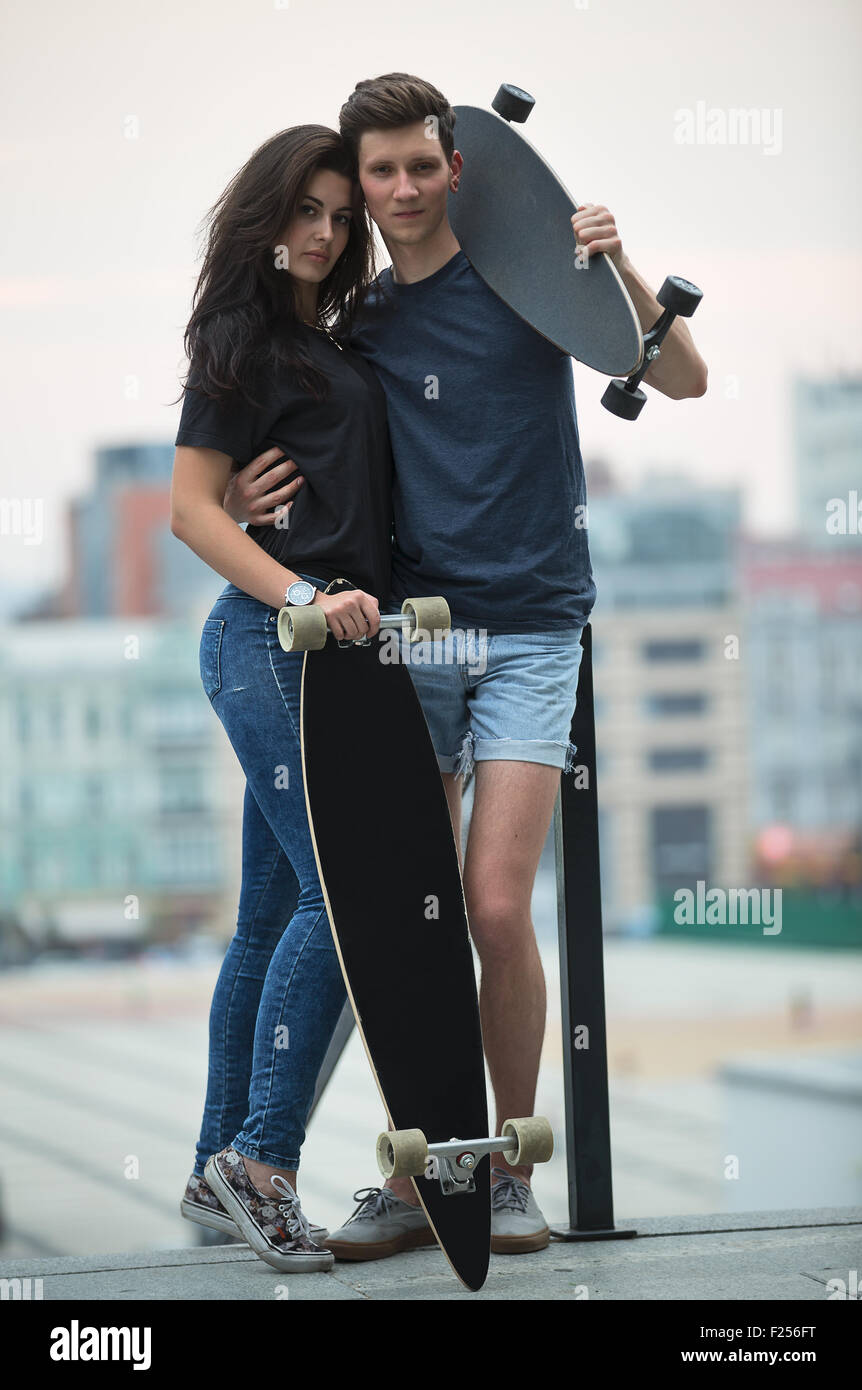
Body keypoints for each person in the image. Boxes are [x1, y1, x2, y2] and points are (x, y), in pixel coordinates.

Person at [225, 73, 708, 1260]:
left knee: (493, 902)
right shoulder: (364, 330)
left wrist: (622, 268)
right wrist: (236, 495)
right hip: (418, 630)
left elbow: (683, 376)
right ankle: (421, 1176)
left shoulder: (534, 288)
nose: (395, 192)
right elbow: (286, 462)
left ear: (457, 167)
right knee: (411, 916)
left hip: (537, 626)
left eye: (417, 167)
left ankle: (503, 1172)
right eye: (375, 172)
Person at [170, 124, 394, 1273]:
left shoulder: (332, 337)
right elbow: (193, 512)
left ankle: (214, 1164)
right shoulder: (238, 337)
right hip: (269, 641)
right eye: (303, 212)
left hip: (327, 648)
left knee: (269, 920)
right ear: (264, 219)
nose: (322, 234)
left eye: (336, 216)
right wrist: (303, 582)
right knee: (344, 902)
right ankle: (262, 1161)